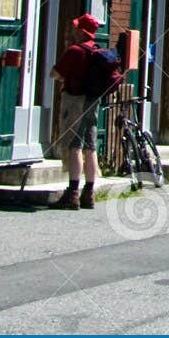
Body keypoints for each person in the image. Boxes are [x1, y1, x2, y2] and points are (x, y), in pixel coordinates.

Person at [49, 14, 119, 210]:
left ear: (81, 31)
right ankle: (89, 193)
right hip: (93, 101)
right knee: (91, 146)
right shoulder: (98, 52)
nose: (74, 30)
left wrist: (65, 77)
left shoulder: (75, 51)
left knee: (74, 145)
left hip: (75, 100)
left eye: (76, 27)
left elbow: (54, 74)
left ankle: (72, 194)